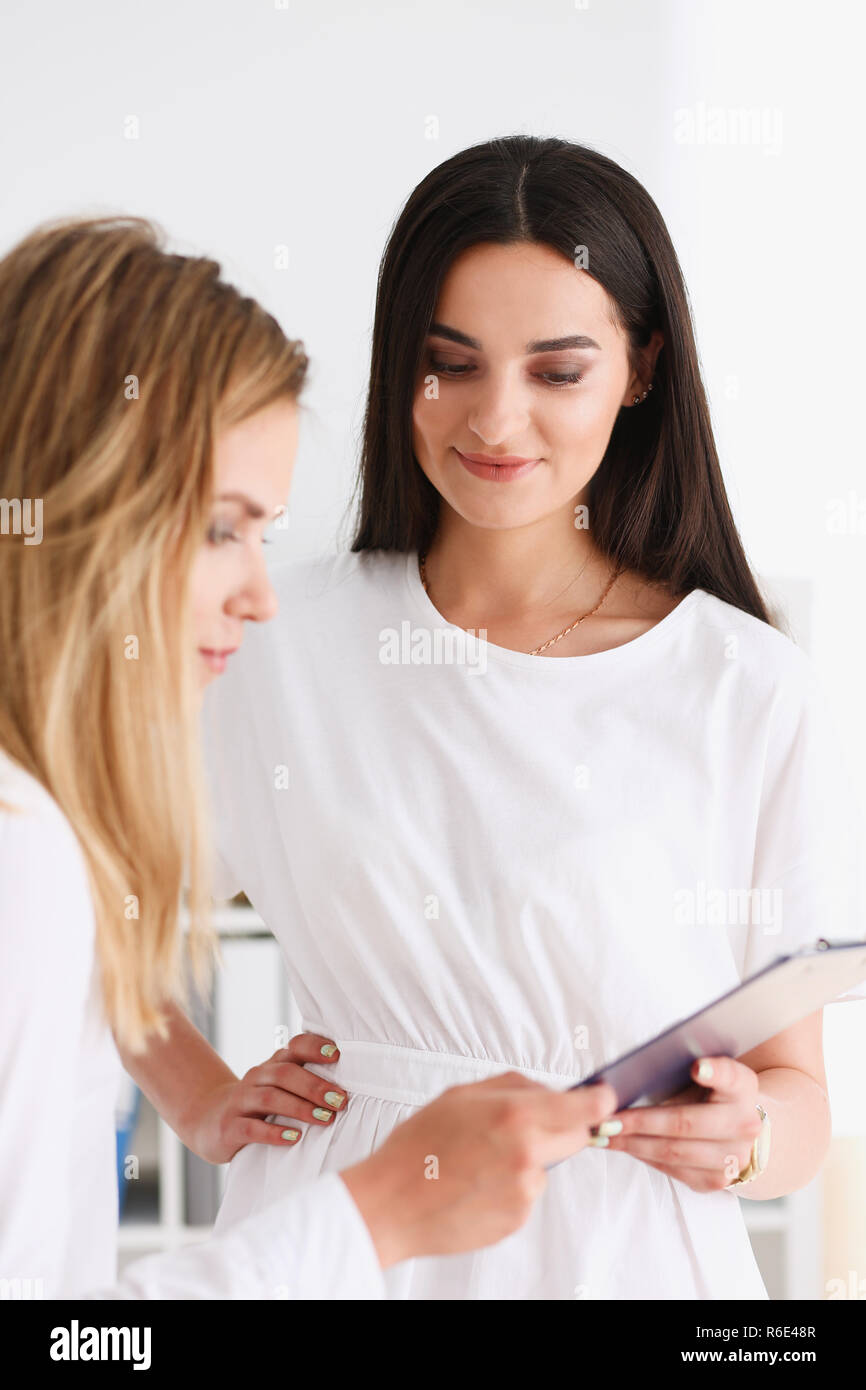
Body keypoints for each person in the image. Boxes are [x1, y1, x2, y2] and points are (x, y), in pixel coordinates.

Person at [136, 137, 864, 1299]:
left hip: (623, 1249)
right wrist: (195, 1093)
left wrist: (745, 1141)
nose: (494, 419)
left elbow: (797, 1095)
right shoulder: (275, 635)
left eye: (556, 370)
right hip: (347, 1230)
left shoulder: (747, 688)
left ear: (640, 369)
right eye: (449, 362)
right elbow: (80, 903)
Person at [0, 214, 619, 1300]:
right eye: (216, 529)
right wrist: (371, 1217)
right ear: (75, 506)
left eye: (264, 532)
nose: (259, 595)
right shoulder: (25, 867)